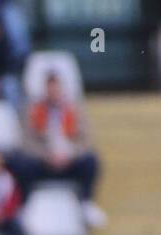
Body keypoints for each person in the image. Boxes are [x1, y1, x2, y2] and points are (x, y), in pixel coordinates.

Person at [13, 72, 103, 225]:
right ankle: (25, 205)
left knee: (91, 160)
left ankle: (86, 203)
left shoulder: (74, 110)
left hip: (69, 161)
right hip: (43, 163)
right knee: (20, 163)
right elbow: (26, 142)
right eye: (50, 89)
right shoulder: (33, 111)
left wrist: (69, 155)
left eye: (56, 89)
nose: (53, 92)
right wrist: (46, 156)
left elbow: (85, 140)